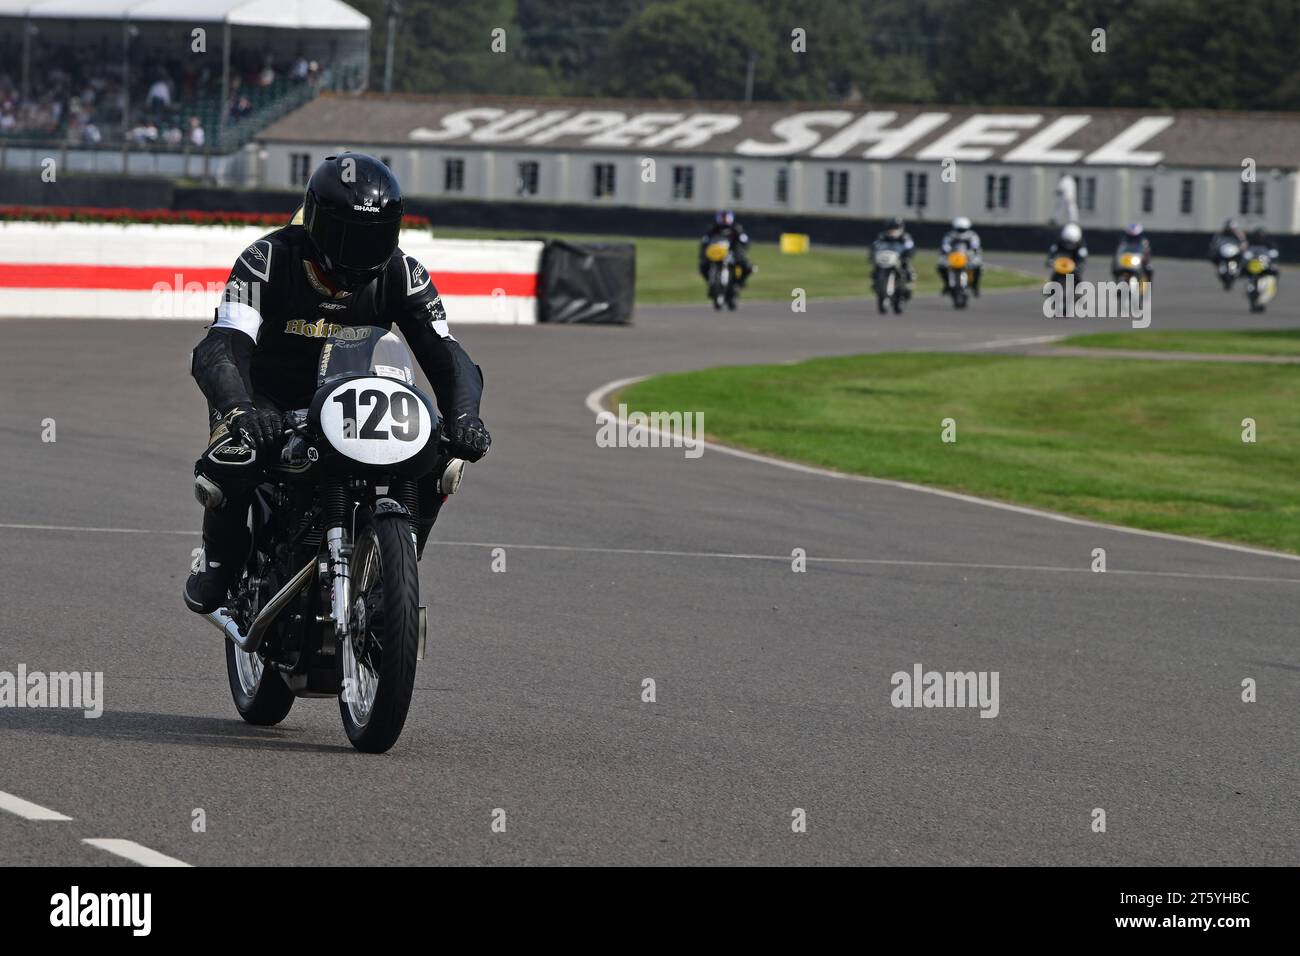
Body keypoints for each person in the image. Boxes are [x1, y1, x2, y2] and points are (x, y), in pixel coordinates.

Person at [184, 152, 491, 614]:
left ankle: (398, 564)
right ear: (317, 222)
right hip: (264, 400)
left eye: (376, 235)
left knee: (442, 457)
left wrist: (465, 415)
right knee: (235, 456)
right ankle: (219, 562)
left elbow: (445, 352)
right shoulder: (266, 259)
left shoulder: (404, 273)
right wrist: (238, 409)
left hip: (354, 394)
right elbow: (223, 343)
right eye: (349, 234)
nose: (362, 250)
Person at [698, 210, 752, 287]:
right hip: (716, 253)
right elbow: (705, 241)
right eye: (722, 218)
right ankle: (711, 283)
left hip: (732, 253)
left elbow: (744, 240)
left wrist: (741, 246)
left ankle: (739, 282)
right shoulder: (713, 228)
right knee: (703, 266)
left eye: (726, 218)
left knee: (746, 266)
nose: (724, 220)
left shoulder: (736, 228)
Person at [936, 216, 982, 296]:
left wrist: (972, 252)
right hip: (953, 257)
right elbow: (945, 245)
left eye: (963, 229)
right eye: (959, 229)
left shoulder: (972, 235)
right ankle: (947, 284)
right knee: (941, 266)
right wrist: (947, 251)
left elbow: (975, 246)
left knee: (978, 267)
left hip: (968, 256)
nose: (961, 231)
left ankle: (975, 285)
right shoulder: (950, 235)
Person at [872, 216, 916, 287]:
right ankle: (876, 282)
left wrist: (907, 254)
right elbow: (875, 246)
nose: (892, 230)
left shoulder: (905, 237)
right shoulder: (882, 236)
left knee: (907, 267)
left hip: (899, 257)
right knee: (876, 268)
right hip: (886, 257)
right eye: (890, 227)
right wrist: (873, 255)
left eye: (894, 227)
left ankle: (908, 282)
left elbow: (910, 247)